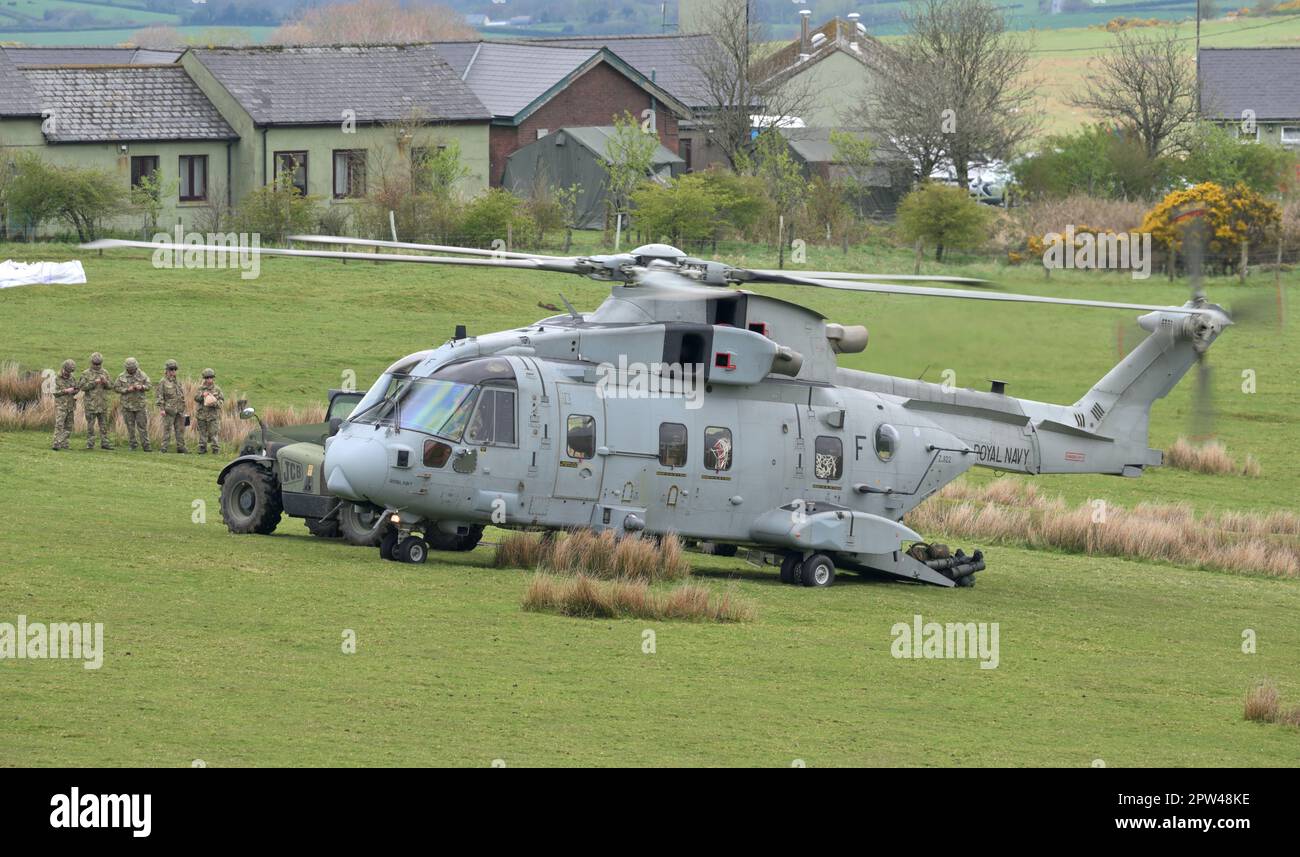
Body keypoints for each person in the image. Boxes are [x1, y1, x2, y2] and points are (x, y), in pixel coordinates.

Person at [115, 357, 152, 451]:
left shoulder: (142, 375)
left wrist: (141, 387)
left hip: (140, 406)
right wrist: (127, 389)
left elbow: (149, 386)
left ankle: (146, 446)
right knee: (130, 427)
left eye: (133, 369)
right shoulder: (121, 376)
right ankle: (133, 445)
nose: (131, 370)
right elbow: (116, 388)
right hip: (127, 406)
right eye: (129, 369)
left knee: (142, 427)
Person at [79, 352, 112, 450]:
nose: (97, 366)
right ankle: (90, 444)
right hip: (91, 404)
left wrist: (105, 382)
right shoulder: (85, 373)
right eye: (95, 364)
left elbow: (111, 386)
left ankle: (105, 443)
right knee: (90, 425)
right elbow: (82, 387)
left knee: (104, 424)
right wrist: (94, 383)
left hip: (102, 404)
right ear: (91, 362)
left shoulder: (105, 373)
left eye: (99, 364)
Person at [155, 359, 188, 453]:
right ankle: (164, 448)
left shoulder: (177, 382)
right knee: (167, 430)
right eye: (171, 369)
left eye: (174, 369)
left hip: (179, 410)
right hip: (169, 410)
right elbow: (159, 396)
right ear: (166, 370)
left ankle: (181, 448)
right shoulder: (163, 382)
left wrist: (183, 408)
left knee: (180, 430)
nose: (173, 371)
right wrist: (161, 409)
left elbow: (181, 396)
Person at [193, 368, 224, 454]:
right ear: (204, 378)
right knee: (202, 433)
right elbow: (196, 398)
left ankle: (215, 449)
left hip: (213, 415)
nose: (209, 380)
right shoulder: (200, 389)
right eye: (207, 378)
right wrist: (203, 395)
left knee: (213, 433)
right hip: (201, 415)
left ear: (213, 378)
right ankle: (202, 448)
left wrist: (214, 403)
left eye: (211, 378)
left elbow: (221, 402)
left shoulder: (217, 389)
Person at [51, 359, 78, 451]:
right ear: (63, 368)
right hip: (61, 406)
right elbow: (54, 392)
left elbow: (76, 388)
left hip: (70, 405)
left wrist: (75, 390)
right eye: (67, 371)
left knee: (69, 427)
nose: (68, 374)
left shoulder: (72, 378)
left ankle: (64, 443)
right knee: (59, 425)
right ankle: (56, 443)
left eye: (70, 372)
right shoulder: (56, 378)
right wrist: (65, 391)